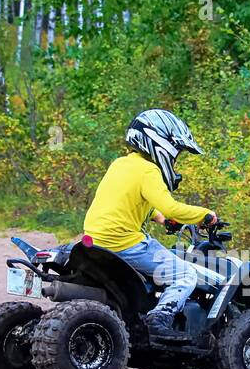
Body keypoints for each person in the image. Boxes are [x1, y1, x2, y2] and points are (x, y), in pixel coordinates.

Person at [82, 109, 217, 338]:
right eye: (176, 155)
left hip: (95, 240)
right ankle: (160, 318)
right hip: (125, 244)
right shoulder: (149, 170)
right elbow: (172, 207)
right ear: (160, 143)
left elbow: (131, 199)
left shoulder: (121, 164)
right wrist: (206, 215)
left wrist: (160, 218)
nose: (174, 161)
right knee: (185, 275)